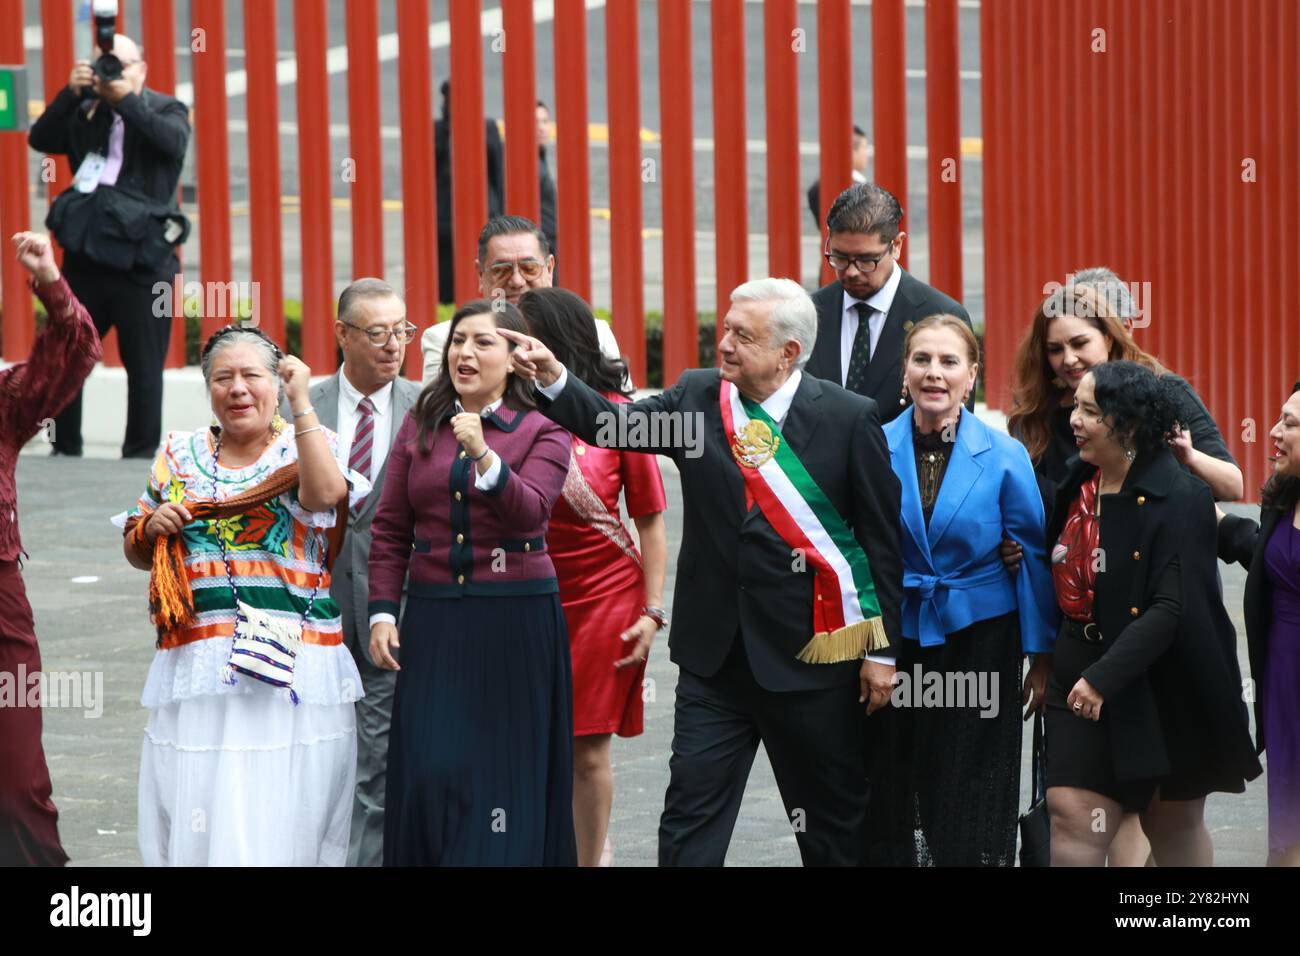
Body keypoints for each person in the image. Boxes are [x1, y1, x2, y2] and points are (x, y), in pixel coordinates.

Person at [502, 277, 904, 867]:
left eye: (744, 335)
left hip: (812, 660)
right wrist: (554, 376)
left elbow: (880, 542)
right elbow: (617, 428)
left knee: (829, 829)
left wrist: (883, 650)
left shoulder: (848, 417)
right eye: (725, 330)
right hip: (714, 663)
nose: (726, 345)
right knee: (689, 828)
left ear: (789, 352)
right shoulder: (696, 399)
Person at [117, 326, 369, 866]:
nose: (238, 389)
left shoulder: (308, 443)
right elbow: (137, 545)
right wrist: (155, 524)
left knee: (280, 806)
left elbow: (327, 496)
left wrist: (303, 402)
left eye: (252, 376)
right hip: (202, 662)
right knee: (203, 801)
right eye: (223, 378)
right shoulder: (178, 454)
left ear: (276, 386)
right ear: (207, 387)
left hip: (290, 667)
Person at [368, 301, 576, 866]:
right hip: (435, 620)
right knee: (431, 767)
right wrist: (384, 610)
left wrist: (483, 453)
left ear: (515, 359)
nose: (465, 352)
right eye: (459, 340)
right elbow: (390, 526)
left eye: (484, 342)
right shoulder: (421, 421)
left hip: (515, 621)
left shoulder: (547, 428)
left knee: (502, 772)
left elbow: (529, 514)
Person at [1043, 361, 1260, 866]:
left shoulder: (1180, 496)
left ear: (1128, 425)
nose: (1074, 419)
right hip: (1078, 664)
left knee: (1172, 826)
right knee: (1071, 812)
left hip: (1162, 678)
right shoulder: (1077, 482)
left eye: (1089, 411)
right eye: (1075, 406)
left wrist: (1104, 678)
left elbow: (1171, 607)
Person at [870, 315, 1059, 866]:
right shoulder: (873, 444)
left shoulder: (1004, 454)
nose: (934, 373)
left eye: (949, 361)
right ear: (904, 372)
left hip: (981, 637)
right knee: (896, 776)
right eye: (921, 359)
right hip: (896, 638)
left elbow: (1032, 560)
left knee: (970, 785)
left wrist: (1040, 658)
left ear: (971, 375)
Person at [517, 288, 667, 867]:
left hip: (606, 599)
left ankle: (589, 859)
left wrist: (653, 611)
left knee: (586, 751)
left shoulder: (616, 415)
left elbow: (652, 523)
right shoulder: (503, 412)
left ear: (555, 339)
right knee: (524, 742)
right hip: (522, 594)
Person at [280, 279, 422, 867]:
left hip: (398, 615)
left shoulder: (430, 408)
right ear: (342, 334)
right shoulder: (298, 409)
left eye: (403, 331)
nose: (394, 345)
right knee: (308, 761)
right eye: (378, 333)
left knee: (378, 768)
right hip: (311, 617)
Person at [29, 32, 191, 459]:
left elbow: (170, 142)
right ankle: (65, 450)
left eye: (122, 65)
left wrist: (125, 100)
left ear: (141, 70)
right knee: (68, 358)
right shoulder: (87, 110)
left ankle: (138, 457)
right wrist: (71, 92)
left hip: (144, 264)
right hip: (88, 259)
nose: (113, 72)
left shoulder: (166, 108)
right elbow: (41, 138)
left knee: (144, 368)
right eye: (107, 64)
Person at [0, 232, 101, 866]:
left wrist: (50, 283)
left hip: (0, 602)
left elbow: (76, 354)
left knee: (17, 784)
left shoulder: (5, 400)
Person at [1216, 382, 1300, 866]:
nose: (1272, 431)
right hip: (1283, 683)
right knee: (1286, 837)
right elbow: (1264, 554)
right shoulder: (1283, 497)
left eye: (1289, 423)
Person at [805, 183, 973, 424]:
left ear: (896, 246)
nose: (851, 272)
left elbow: (956, 423)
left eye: (866, 260)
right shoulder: (811, 312)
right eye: (840, 258)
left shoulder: (941, 315)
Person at [421, 216, 623, 383]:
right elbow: (437, 423)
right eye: (501, 270)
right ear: (481, 275)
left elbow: (617, 416)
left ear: (549, 269)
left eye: (529, 268)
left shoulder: (595, 334)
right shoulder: (446, 341)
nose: (517, 281)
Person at [436, 80, 505, 305]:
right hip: (445, 219)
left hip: (484, 213)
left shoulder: (487, 128)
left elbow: (498, 172)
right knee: (446, 278)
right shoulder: (438, 131)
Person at [806, 125, 870, 226]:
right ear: (851, 151)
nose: (866, 154)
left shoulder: (817, 186)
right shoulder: (864, 189)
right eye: (864, 148)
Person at [537, 100, 558, 264]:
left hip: (549, 244)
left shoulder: (540, 157)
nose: (541, 127)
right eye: (536, 122)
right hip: (540, 247)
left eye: (545, 121)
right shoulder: (528, 164)